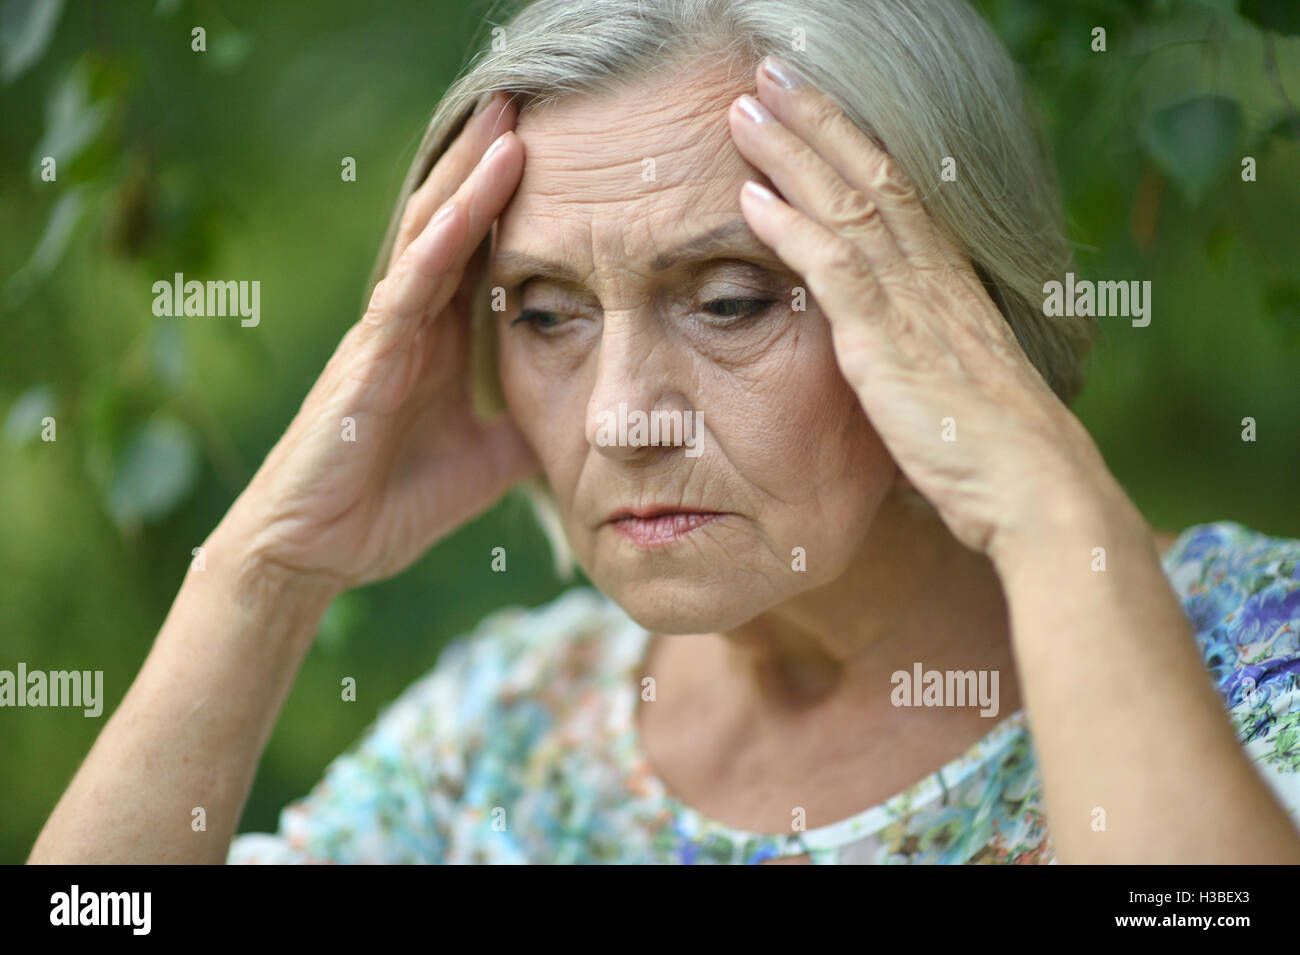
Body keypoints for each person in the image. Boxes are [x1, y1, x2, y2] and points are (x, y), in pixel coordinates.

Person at [28, 0, 1300, 865]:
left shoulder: (1253, 656)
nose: (623, 417)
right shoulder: (501, 736)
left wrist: (1050, 511)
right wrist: (262, 577)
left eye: (731, 301)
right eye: (543, 313)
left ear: (949, 301)